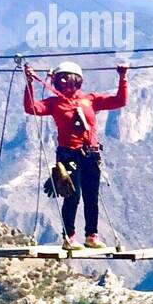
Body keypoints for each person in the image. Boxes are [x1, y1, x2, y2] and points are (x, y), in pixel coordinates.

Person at [23, 59, 128, 249]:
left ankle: (91, 235)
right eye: (59, 80)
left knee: (91, 196)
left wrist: (123, 77)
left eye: (66, 80)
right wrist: (29, 83)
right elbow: (31, 108)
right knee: (72, 194)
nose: (62, 84)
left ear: (76, 81)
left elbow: (120, 101)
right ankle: (69, 237)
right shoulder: (54, 103)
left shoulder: (90, 100)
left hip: (91, 154)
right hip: (68, 155)